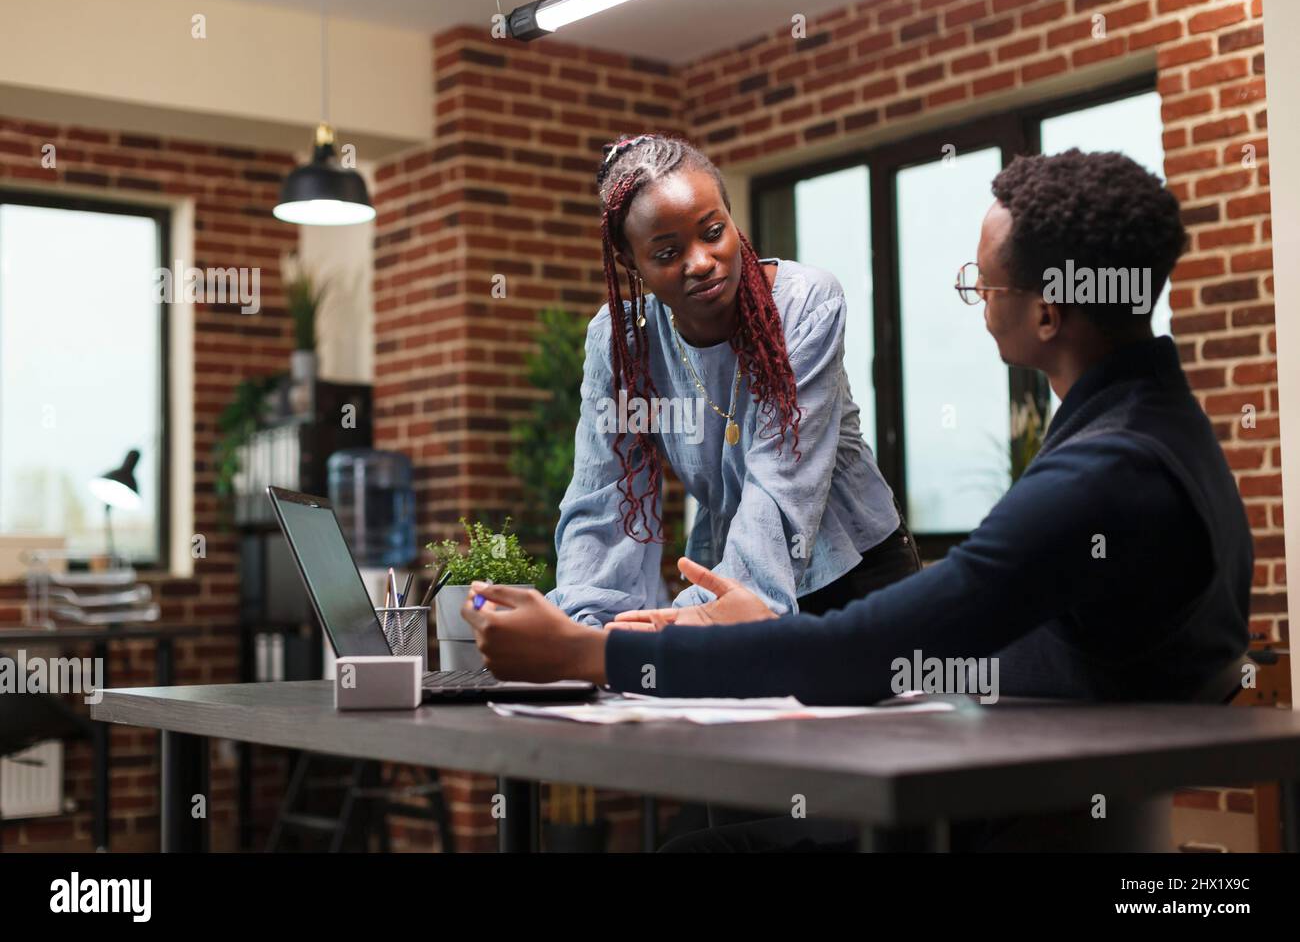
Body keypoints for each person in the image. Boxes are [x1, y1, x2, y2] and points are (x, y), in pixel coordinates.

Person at [464, 149, 1254, 849]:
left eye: (983, 280)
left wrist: (589, 654)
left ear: (1048, 312)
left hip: (1001, 805)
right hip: (1008, 764)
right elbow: (920, 650)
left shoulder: (1103, 475)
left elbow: (862, 648)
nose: (976, 297)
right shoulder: (1157, 434)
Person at [548, 132, 918, 630]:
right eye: (666, 252)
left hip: (856, 576)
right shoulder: (624, 342)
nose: (700, 262)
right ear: (629, 262)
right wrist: (586, 626)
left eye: (713, 231)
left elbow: (779, 487)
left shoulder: (804, 305)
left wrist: (670, 624)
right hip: (733, 577)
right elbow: (605, 499)